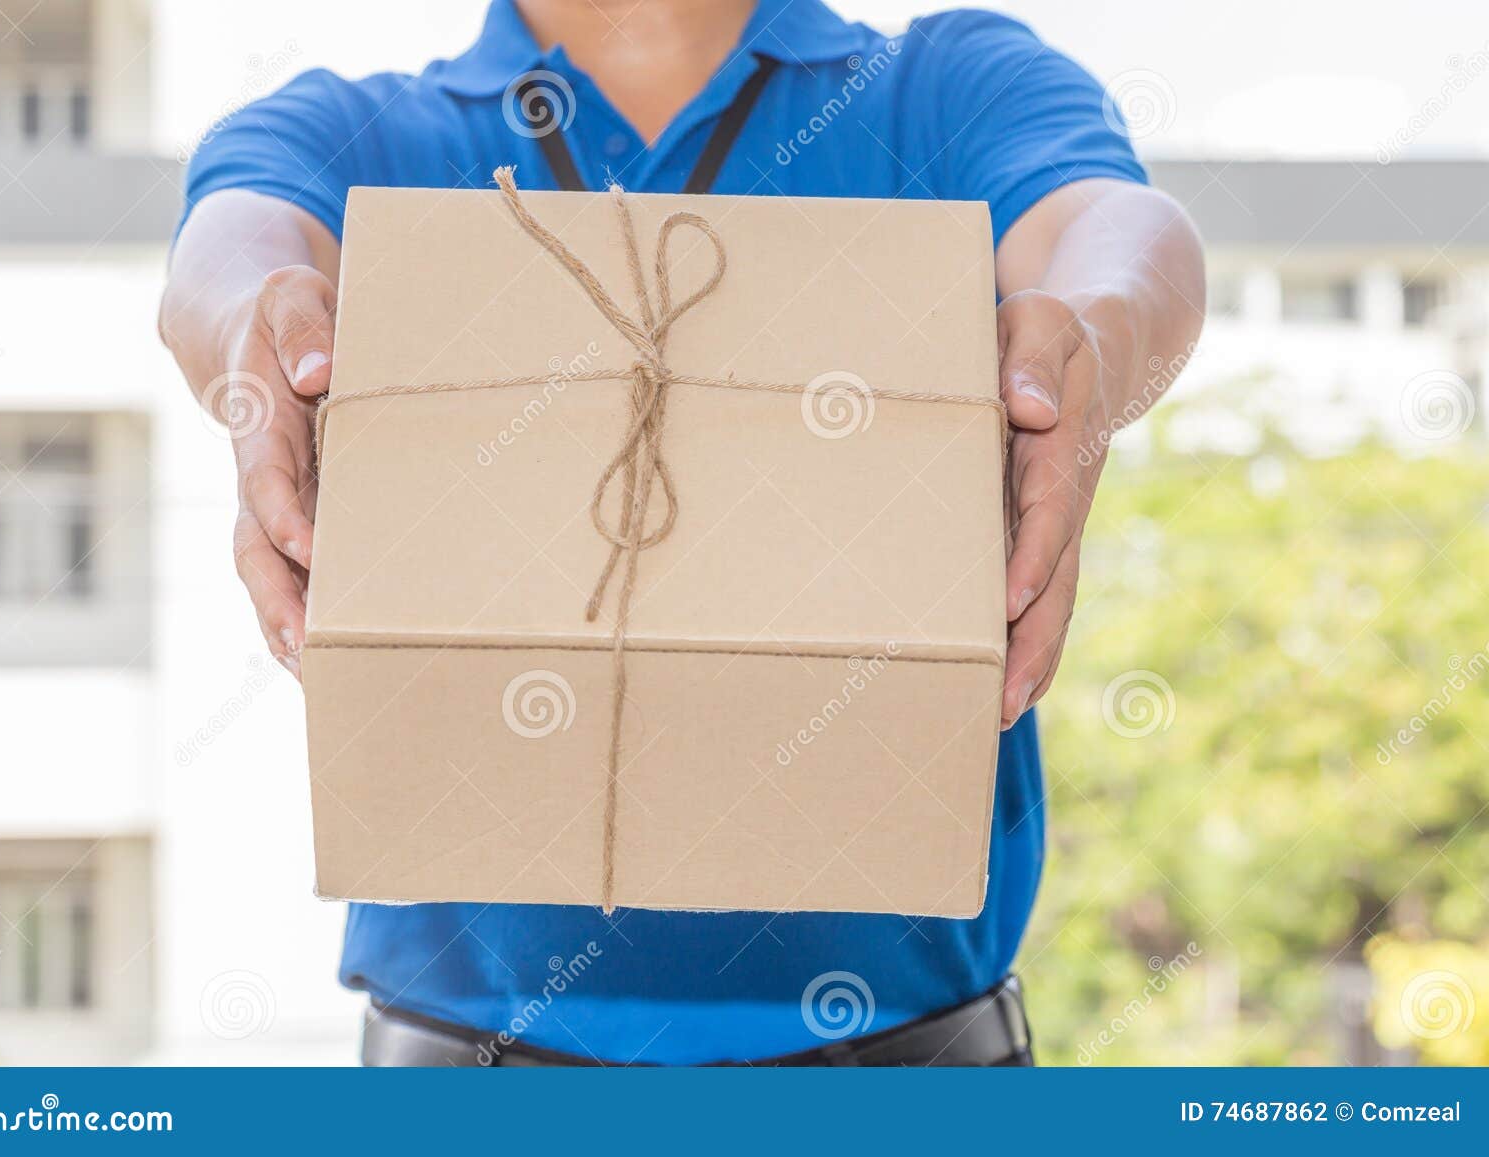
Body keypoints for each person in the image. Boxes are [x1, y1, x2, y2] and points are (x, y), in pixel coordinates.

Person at [159, 0, 1204, 1066]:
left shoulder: (946, 89)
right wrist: (251, 327)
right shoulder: (359, 137)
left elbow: (1120, 234)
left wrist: (1096, 333)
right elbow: (228, 251)